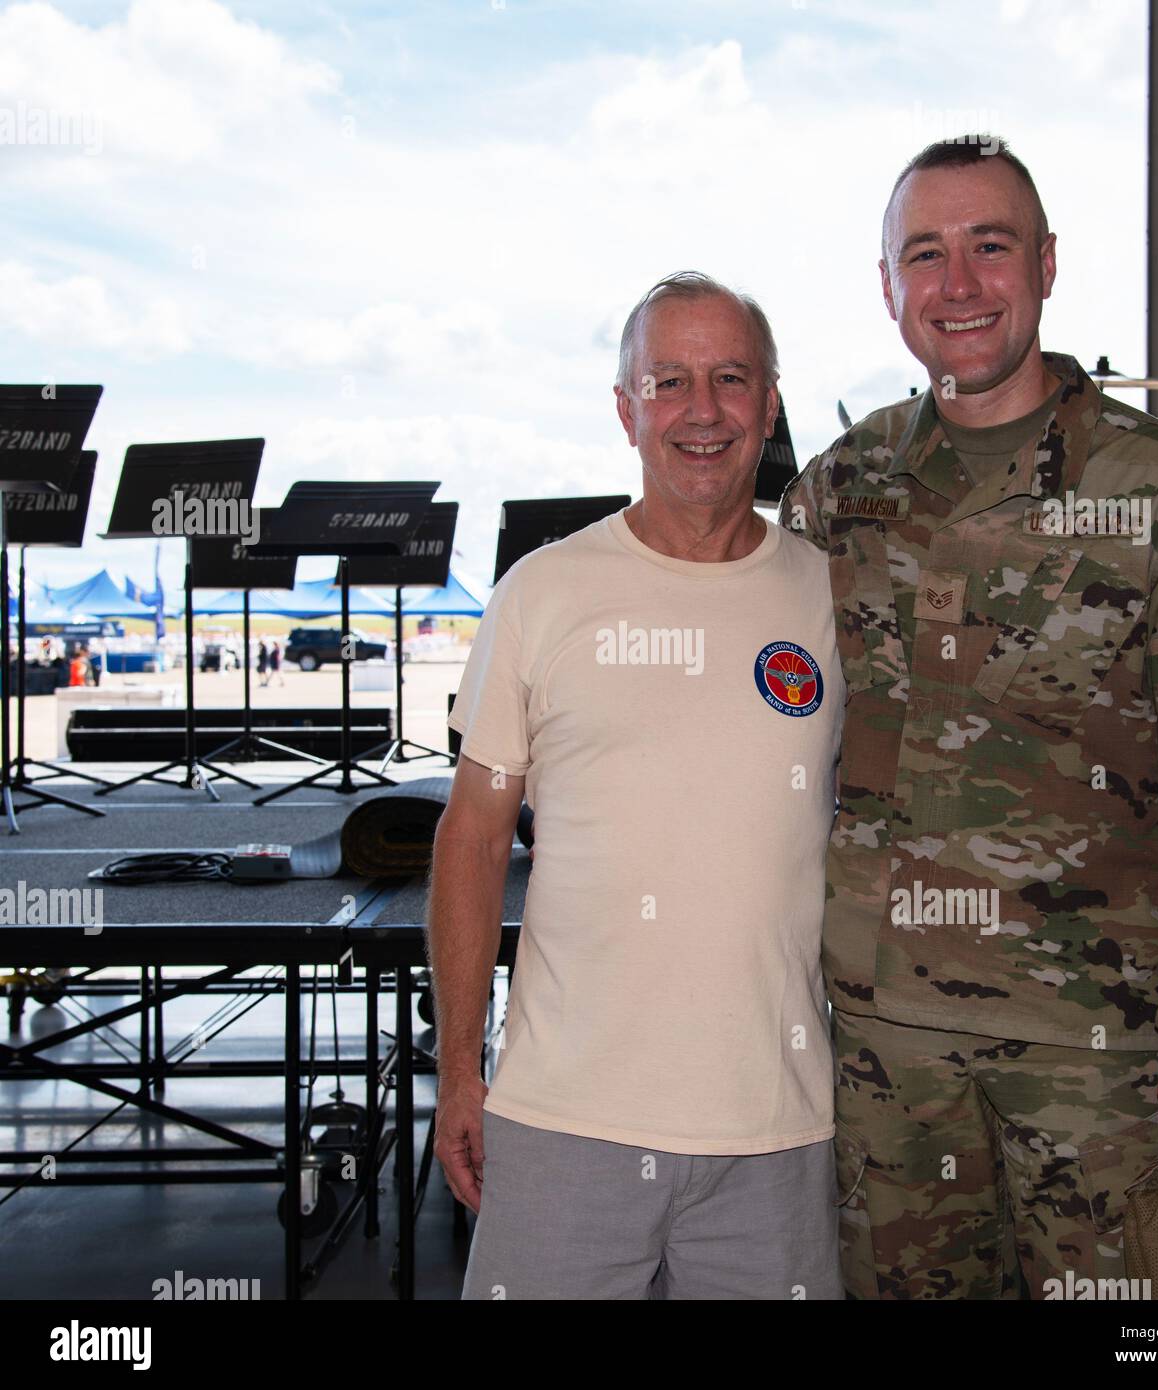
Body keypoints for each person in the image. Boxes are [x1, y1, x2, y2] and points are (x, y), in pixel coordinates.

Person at [780, 135, 1158, 1301]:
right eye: (926, 253)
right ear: (887, 287)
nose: (957, 285)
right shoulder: (837, 492)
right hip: (883, 1051)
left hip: (1102, 1045)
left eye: (989, 247)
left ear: (1048, 265)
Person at [430, 271, 845, 1300]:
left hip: (778, 1127)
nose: (701, 411)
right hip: (566, 1118)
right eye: (668, 382)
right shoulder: (542, 593)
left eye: (730, 378)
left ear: (771, 400)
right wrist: (457, 1070)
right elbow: (473, 840)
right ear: (626, 408)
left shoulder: (835, 596)